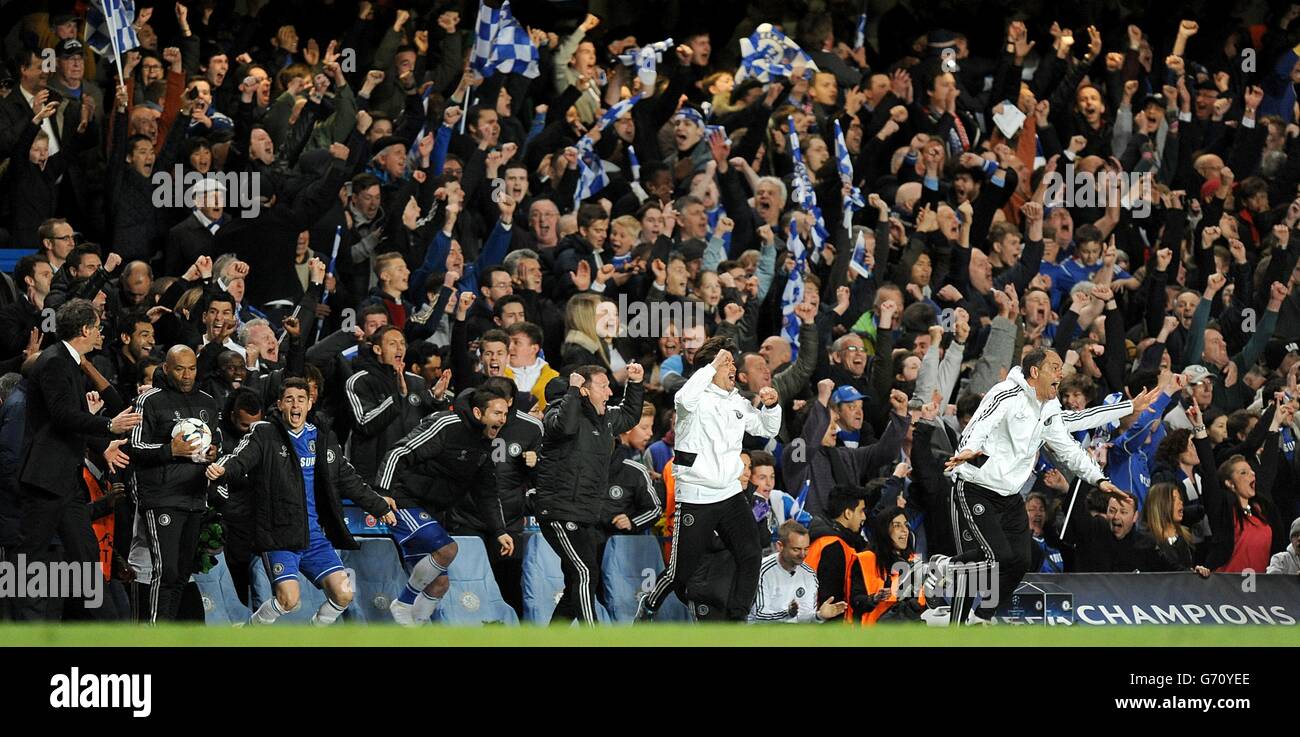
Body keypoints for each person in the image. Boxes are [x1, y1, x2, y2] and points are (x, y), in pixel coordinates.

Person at [939, 349, 1130, 625]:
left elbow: (1070, 449)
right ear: (1035, 372)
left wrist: (1098, 479)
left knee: (1020, 561)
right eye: (1055, 367)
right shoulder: (1006, 393)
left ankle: (981, 617)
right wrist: (968, 449)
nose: (1061, 374)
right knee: (995, 557)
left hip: (1010, 495)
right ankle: (947, 578)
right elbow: (981, 423)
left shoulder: (1049, 409)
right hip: (974, 486)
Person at [206, 379, 397, 626]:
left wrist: (379, 506)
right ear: (279, 404)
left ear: (309, 404)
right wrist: (223, 471)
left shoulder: (323, 439)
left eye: (300, 399)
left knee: (343, 594)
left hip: (314, 535)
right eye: (289, 399)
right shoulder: (265, 433)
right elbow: (239, 459)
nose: (295, 405)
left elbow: (349, 479)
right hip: (279, 535)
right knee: (288, 600)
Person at [639, 337, 781, 622]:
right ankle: (650, 604)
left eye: (731, 362)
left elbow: (767, 429)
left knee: (751, 553)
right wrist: (713, 364)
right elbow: (683, 398)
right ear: (711, 366)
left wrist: (772, 406)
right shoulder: (693, 400)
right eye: (726, 362)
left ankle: (737, 618)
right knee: (680, 572)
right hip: (697, 495)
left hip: (729, 493)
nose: (733, 368)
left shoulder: (737, 401)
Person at [15, 299, 140, 619]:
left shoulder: (68, 362)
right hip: (45, 479)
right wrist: (108, 426)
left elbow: (75, 419)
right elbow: (62, 415)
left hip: (66, 480)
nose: (101, 333)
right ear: (84, 329)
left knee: (86, 555)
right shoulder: (55, 362)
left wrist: (102, 446)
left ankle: (104, 629)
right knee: (31, 558)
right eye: (97, 327)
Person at [374, 385, 513, 626]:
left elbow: (487, 492)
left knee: (440, 584)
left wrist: (499, 530)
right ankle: (403, 604)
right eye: (497, 413)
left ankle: (413, 632)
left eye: (505, 414)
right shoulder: (447, 425)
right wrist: (383, 494)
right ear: (478, 413)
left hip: (432, 510)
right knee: (448, 550)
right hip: (403, 499)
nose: (503, 420)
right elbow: (399, 452)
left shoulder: (484, 444)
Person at [534, 362, 644, 625]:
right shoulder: (556, 414)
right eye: (603, 387)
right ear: (584, 390)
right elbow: (565, 427)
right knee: (585, 572)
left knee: (577, 581)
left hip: (585, 512)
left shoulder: (605, 418)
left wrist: (636, 384)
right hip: (560, 510)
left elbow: (630, 415)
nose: (609, 392)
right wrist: (572, 392)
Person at [128, 346, 220, 622]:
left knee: (181, 573)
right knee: (165, 571)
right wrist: (170, 450)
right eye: (180, 369)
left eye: (192, 368)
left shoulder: (208, 402)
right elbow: (135, 446)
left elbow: (217, 441)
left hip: (195, 497)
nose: (187, 375)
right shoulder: (149, 400)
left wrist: (214, 451)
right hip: (162, 497)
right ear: (166, 369)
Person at [748, 520, 847, 623]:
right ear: (780, 546)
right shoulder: (762, 571)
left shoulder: (809, 574)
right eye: (796, 549)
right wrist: (788, 614)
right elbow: (760, 616)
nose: (802, 554)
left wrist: (819, 616)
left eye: (806, 549)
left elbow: (805, 619)